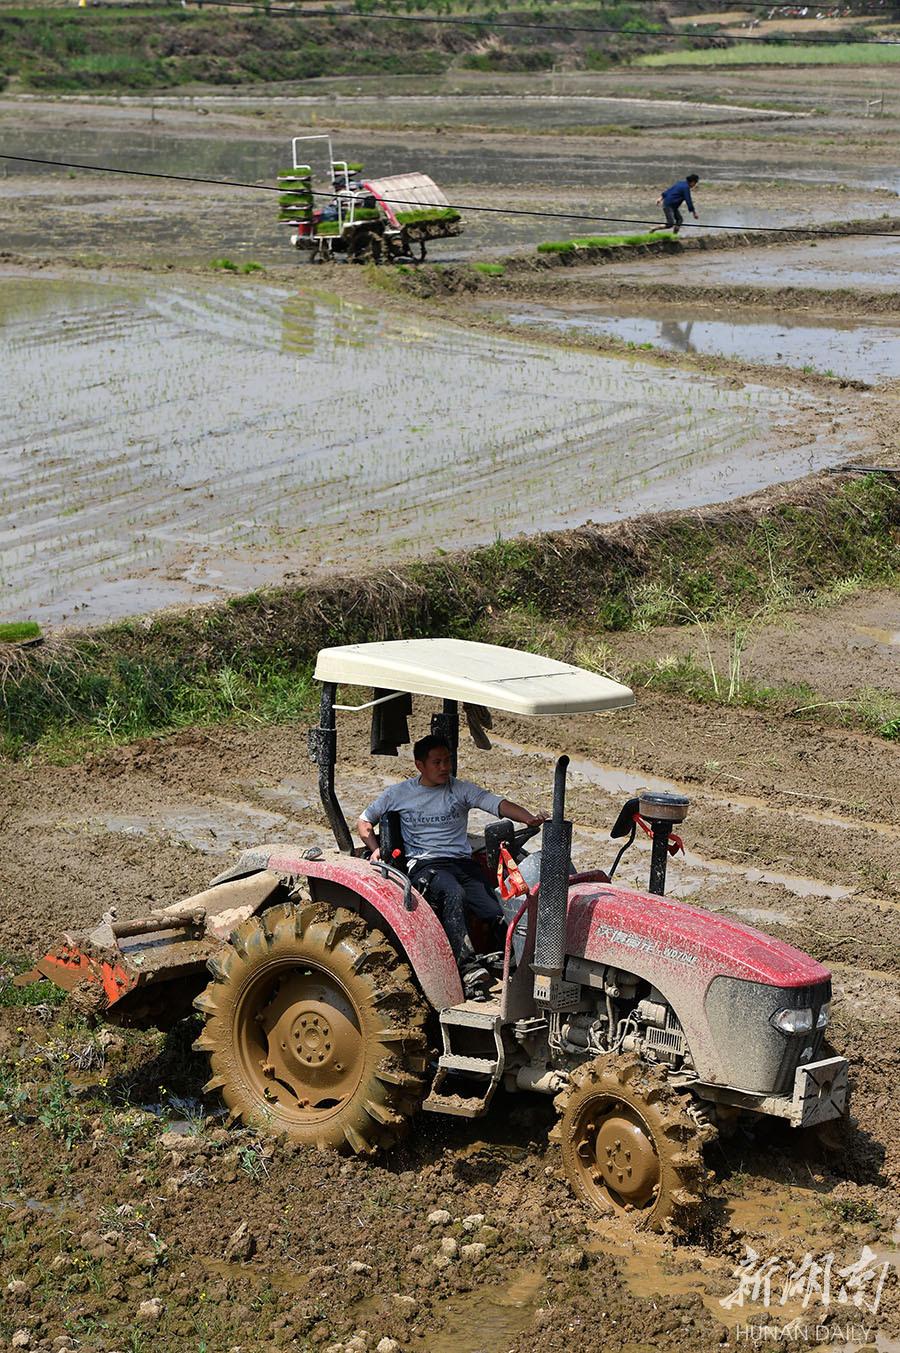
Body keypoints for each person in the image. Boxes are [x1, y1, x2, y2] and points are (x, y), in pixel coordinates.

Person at [356, 735, 547, 998]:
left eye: (447, 761)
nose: (445, 767)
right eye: (437, 762)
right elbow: (364, 822)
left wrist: (529, 818)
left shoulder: (460, 790)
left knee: (496, 909)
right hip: (425, 865)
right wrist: (376, 847)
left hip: (461, 863)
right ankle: (465, 968)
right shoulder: (398, 794)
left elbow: (496, 804)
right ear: (420, 765)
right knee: (452, 893)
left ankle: (507, 961)